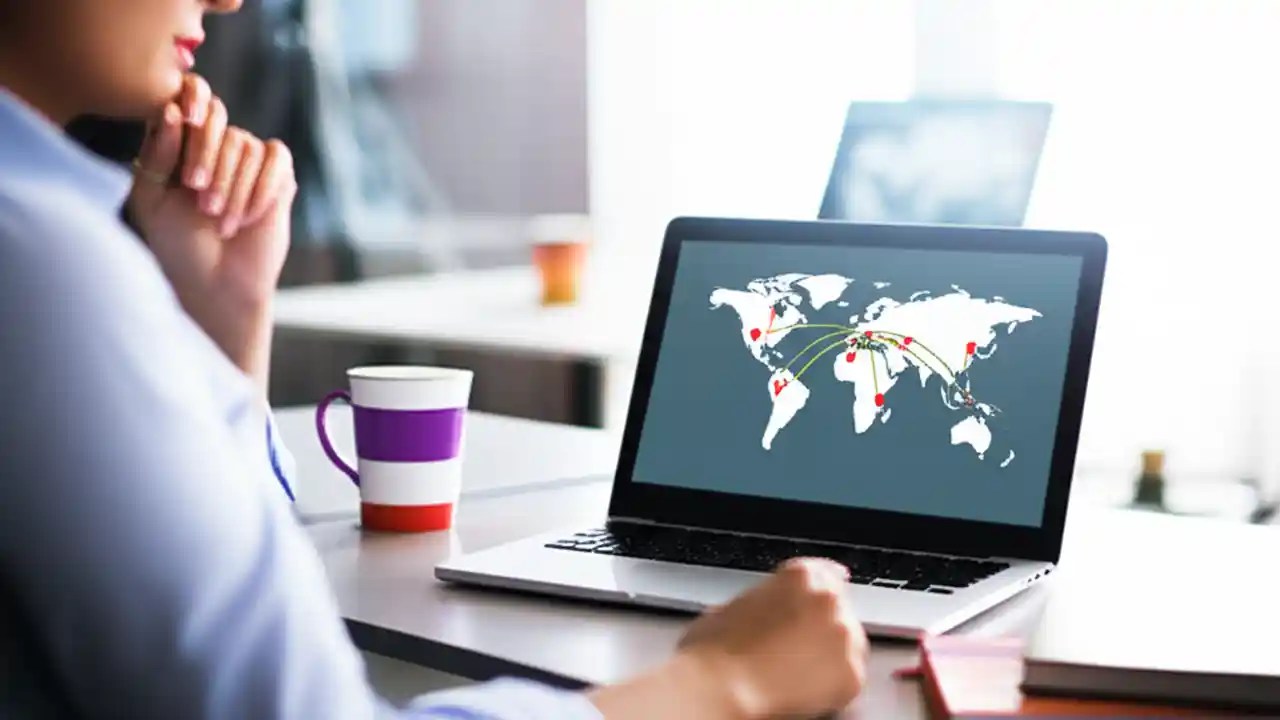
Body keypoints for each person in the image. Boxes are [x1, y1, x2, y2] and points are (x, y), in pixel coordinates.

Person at [0, 1, 868, 718]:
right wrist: (721, 685)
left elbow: (234, 626)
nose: (230, 0)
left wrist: (219, 315)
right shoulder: (42, 262)